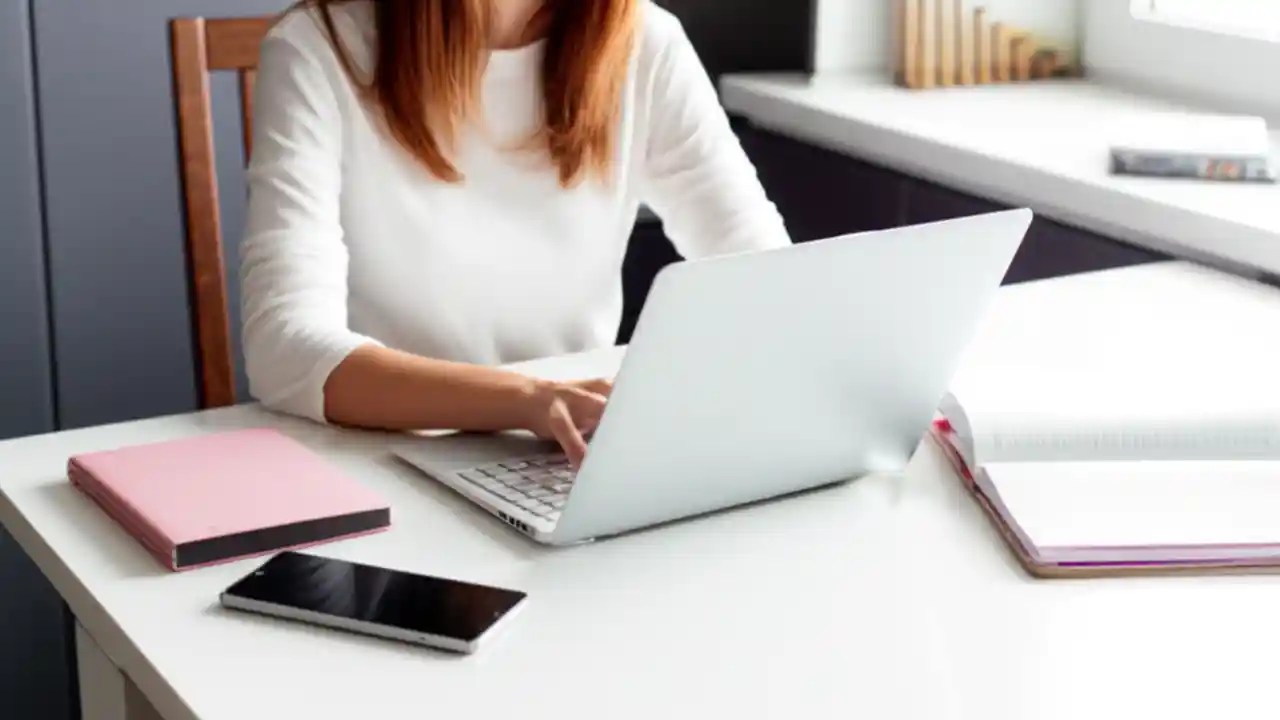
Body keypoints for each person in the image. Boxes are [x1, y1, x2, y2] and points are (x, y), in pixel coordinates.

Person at [242, 0, 790, 467]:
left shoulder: (644, 40)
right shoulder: (317, 50)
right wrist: (527, 402)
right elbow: (285, 351)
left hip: (574, 459)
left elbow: (768, 279)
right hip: (379, 460)